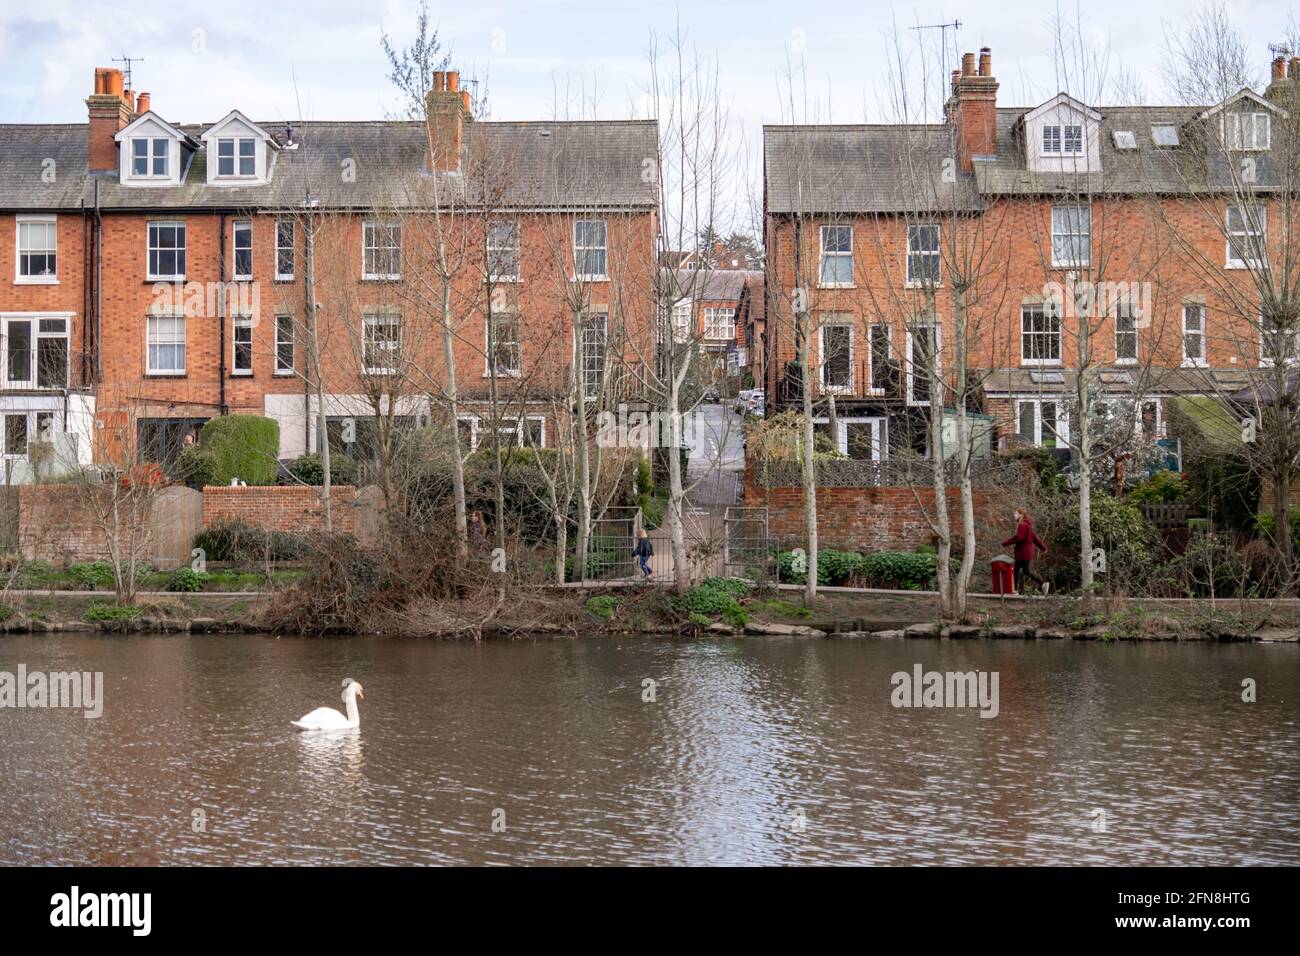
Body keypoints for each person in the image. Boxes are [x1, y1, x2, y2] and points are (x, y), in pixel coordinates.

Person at [1003, 507, 1049, 595]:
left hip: (1022, 553)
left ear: (1021, 515)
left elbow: (1019, 537)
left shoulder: (1022, 525)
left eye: (1016, 514)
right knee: (1025, 571)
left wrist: (1006, 543)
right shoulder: (1028, 525)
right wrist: (1044, 548)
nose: (1015, 516)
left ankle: (1015, 590)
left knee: (1016, 571)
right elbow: (1035, 539)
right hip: (1027, 553)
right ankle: (1042, 583)